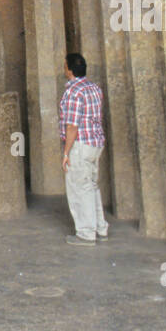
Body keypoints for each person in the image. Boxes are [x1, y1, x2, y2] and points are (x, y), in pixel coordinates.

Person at [59, 51, 109, 245]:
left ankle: (86, 233)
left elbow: (72, 126)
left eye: (65, 66)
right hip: (96, 143)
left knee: (79, 188)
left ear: (70, 70)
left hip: (80, 145)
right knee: (92, 186)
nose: (64, 69)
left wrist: (66, 152)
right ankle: (100, 227)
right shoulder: (94, 88)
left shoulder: (73, 91)